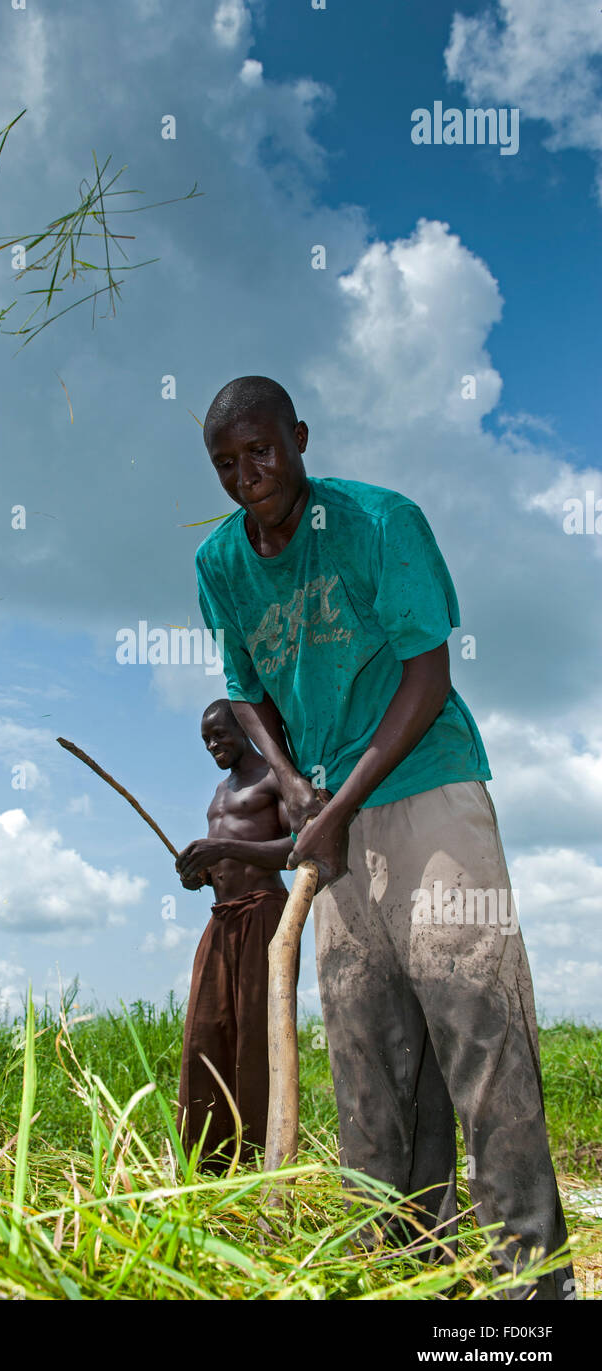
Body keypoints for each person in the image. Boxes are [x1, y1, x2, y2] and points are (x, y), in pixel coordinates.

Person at [193, 374, 572, 1298]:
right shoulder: (218, 564)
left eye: (264, 451)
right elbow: (246, 686)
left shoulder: (378, 522)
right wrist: (289, 785)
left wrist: (338, 803)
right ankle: (410, 1277)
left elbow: (428, 673)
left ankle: (533, 1285)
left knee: (476, 1021)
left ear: (302, 438)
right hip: (331, 829)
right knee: (369, 1057)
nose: (249, 477)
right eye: (227, 464)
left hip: (427, 785)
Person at [174, 699, 298, 1169]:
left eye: (220, 735)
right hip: (221, 917)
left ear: (245, 728)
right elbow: (222, 859)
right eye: (206, 740)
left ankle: (259, 1161)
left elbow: (297, 847)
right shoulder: (218, 794)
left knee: (254, 1033)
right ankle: (204, 1163)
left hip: (264, 914)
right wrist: (199, 873)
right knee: (205, 1032)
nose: (213, 745)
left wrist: (225, 846)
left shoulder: (274, 778)